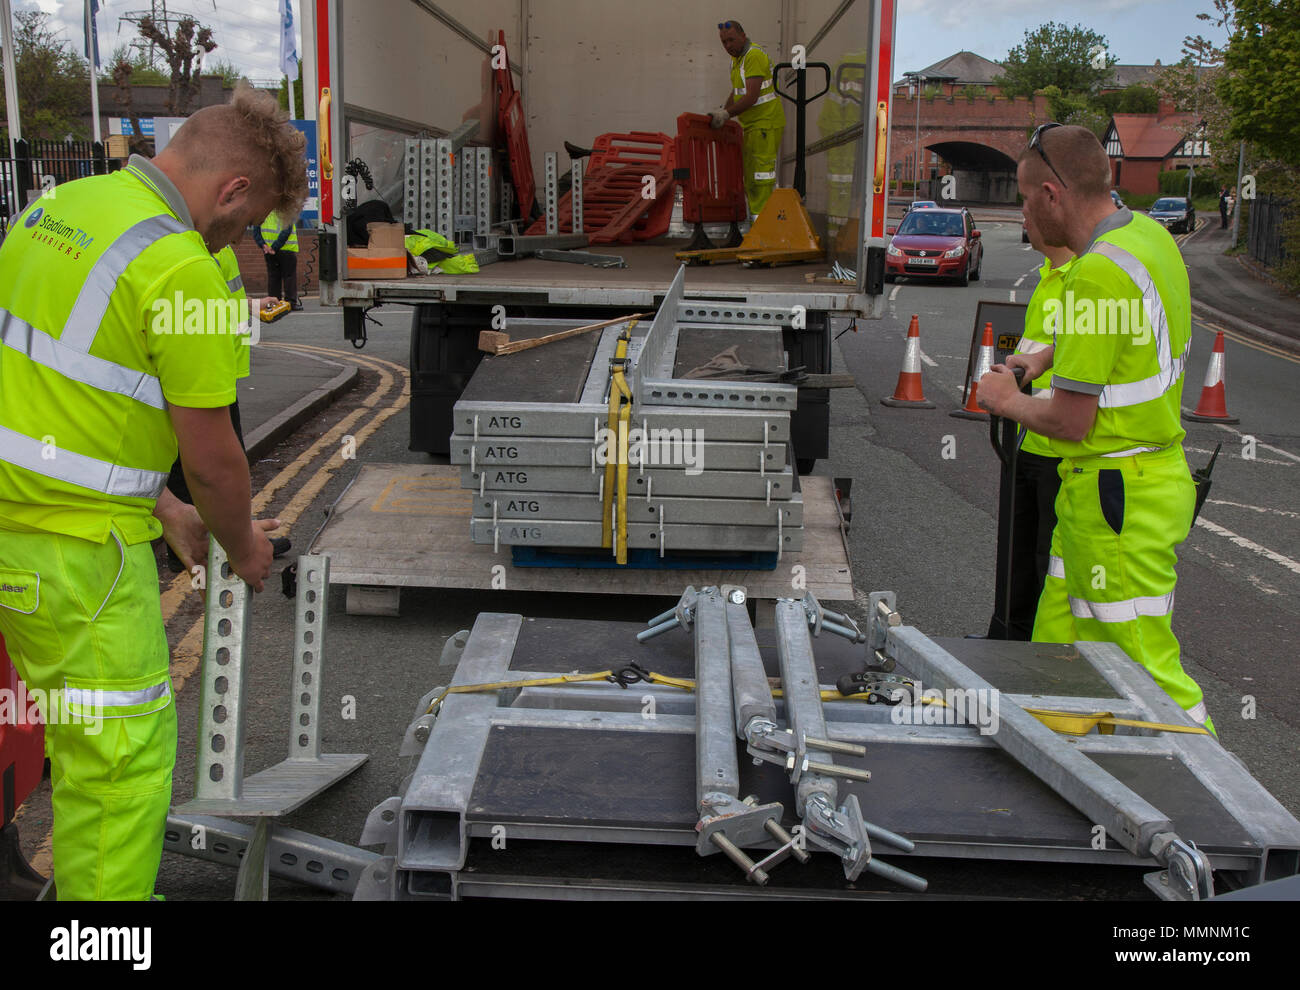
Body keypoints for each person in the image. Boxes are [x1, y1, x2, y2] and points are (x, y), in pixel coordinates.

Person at [0, 83, 307, 899]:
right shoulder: (180, 267)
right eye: (244, 223)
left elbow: (58, 394)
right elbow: (213, 459)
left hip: (20, 535)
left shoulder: (56, 208)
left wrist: (163, 508)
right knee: (119, 769)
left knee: (74, 746)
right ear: (233, 189)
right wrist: (243, 547)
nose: (237, 241)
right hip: (80, 564)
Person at [977, 123, 1213, 732]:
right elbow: (1122, 331)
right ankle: (1059, 758)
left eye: (1026, 198)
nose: (1023, 213)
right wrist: (1043, 356)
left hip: (1116, 495)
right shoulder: (1147, 237)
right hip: (1111, 491)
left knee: (1145, 671)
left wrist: (1005, 397)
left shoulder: (1093, 274)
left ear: (1052, 195)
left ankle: (1214, 800)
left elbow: (1069, 421)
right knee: (1058, 645)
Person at [163, 247, 290, 571]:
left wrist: (251, 305)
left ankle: (223, 537)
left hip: (220, 368)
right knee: (212, 458)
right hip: (205, 371)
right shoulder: (195, 243)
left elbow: (220, 297)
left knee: (216, 456)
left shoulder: (216, 242)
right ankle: (215, 544)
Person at [990, 239, 1075, 640]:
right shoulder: (1047, 274)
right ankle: (1009, 642)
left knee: (1048, 564)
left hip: (1060, 449)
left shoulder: (1082, 276)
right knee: (1017, 558)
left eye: (1029, 201)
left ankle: (1035, 657)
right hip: (1028, 439)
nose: (1024, 214)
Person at [709, 19, 786, 217]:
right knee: (752, 180)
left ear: (743, 36)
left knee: (761, 180)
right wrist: (723, 112)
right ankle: (758, 229)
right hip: (755, 126)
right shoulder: (738, 59)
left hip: (765, 124)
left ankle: (763, 230)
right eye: (724, 42)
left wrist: (726, 114)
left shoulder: (753, 56)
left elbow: (751, 97)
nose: (728, 46)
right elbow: (737, 91)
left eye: (731, 40)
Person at [253, 210, 302, 310]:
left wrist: (263, 245)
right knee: (289, 277)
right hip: (286, 249)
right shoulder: (286, 211)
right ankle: (290, 303)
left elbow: (256, 232)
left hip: (268, 250)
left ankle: (274, 303)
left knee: (273, 278)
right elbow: (286, 231)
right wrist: (275, 247)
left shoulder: (262, 212)